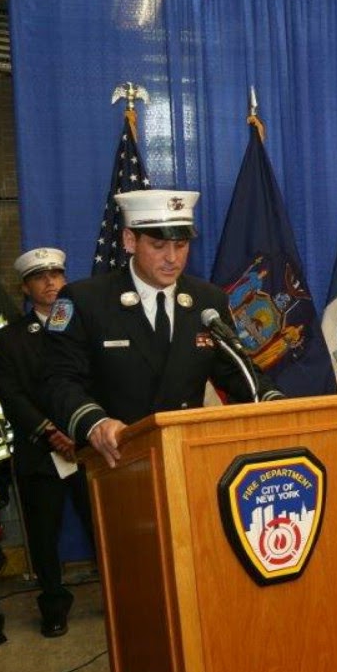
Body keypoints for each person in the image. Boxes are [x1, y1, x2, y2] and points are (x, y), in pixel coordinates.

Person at [42, 189, 282, 467]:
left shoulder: (207, 300)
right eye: (159, 246)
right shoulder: (86, 300)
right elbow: (57, 381)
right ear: (130, 240)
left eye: (181, 245)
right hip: (118, 462)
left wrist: (271, 398)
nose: (172, 258)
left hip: (187, 457)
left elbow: (235, 370)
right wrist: (95, 423)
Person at [0, 246, 94, 638]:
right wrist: (50, 431)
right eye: (40, 276)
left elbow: (96, 381)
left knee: (102, 527)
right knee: (43, 534)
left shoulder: (85, 324)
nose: (51, 282)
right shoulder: (11, 338)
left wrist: (77, 430)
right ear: (25, 288)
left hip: (85, 446)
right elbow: (11, 393)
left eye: (56, 274)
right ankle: (54, 604)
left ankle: (120, 595)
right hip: (40, 449)